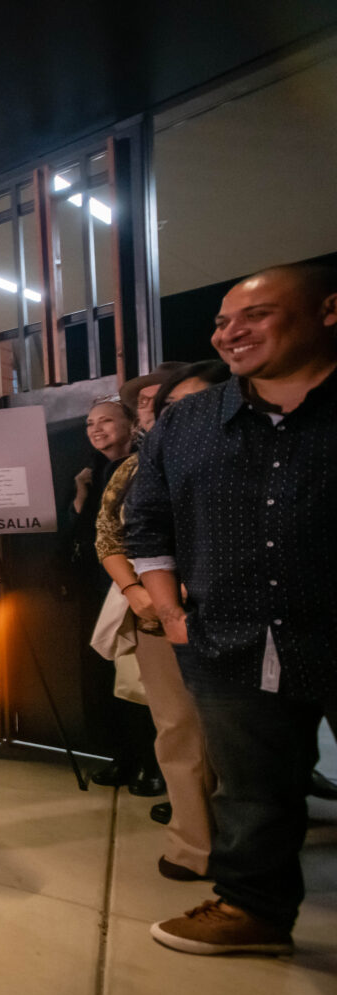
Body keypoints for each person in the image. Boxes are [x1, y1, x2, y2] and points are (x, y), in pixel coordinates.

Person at [127, 262, 337, 956]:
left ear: (326, 312)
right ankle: (254, 910)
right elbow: (147, 522)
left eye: (256, 314)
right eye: (221, 322)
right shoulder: (188, 421)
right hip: (229, 636)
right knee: (251, 789)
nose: (231, 333)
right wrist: (171, 612)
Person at [94, 361, 228, 881]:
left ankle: (251, 847)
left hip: (242, 614)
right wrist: (138, 592)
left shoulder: (244, 450)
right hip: (157, 619)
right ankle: (195, 846)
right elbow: (111, 535)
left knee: (245, 735)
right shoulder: (135, 467)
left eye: (166, 400)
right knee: (177, 731)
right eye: (149, 401)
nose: (153, 408)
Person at [64, 396, 161, 794]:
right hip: (103, 588)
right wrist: (81, 494)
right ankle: (125, 758)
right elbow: (87, 532)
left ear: (131, 423)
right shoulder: (100, 471)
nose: (96, 429)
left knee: (147, 686)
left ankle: (153, 768)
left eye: (105, 421)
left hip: (139, 588)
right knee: (116, 683)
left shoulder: (147, 464)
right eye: (90, 424)